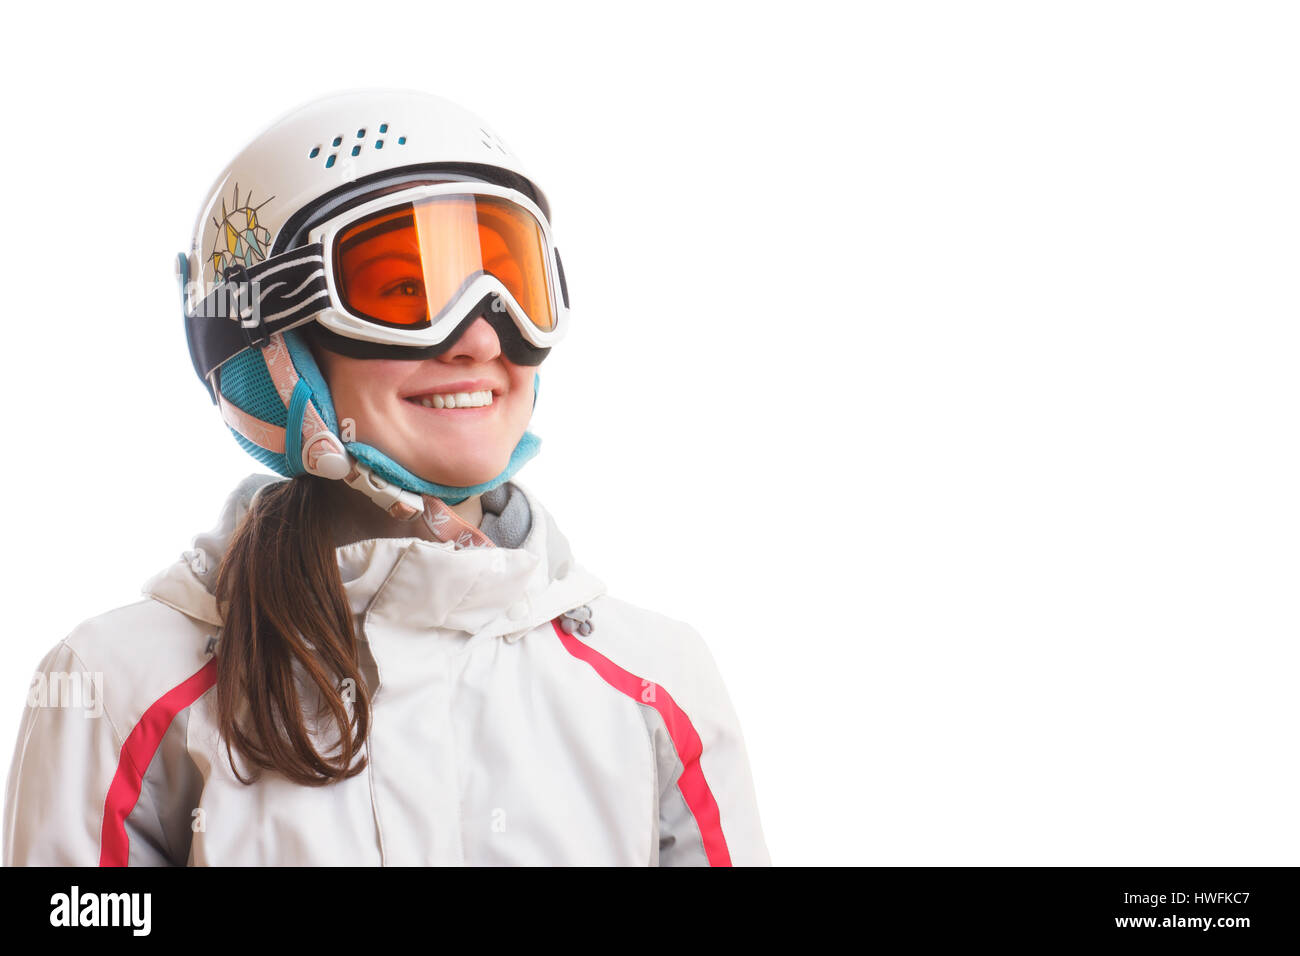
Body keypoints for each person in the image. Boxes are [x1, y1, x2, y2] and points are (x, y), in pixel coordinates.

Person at [2, 89, 770, 866]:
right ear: (274, 340)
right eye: (407, 291)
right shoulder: (114, 688)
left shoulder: (656, 685)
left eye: (510, 285)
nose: (478, 335)